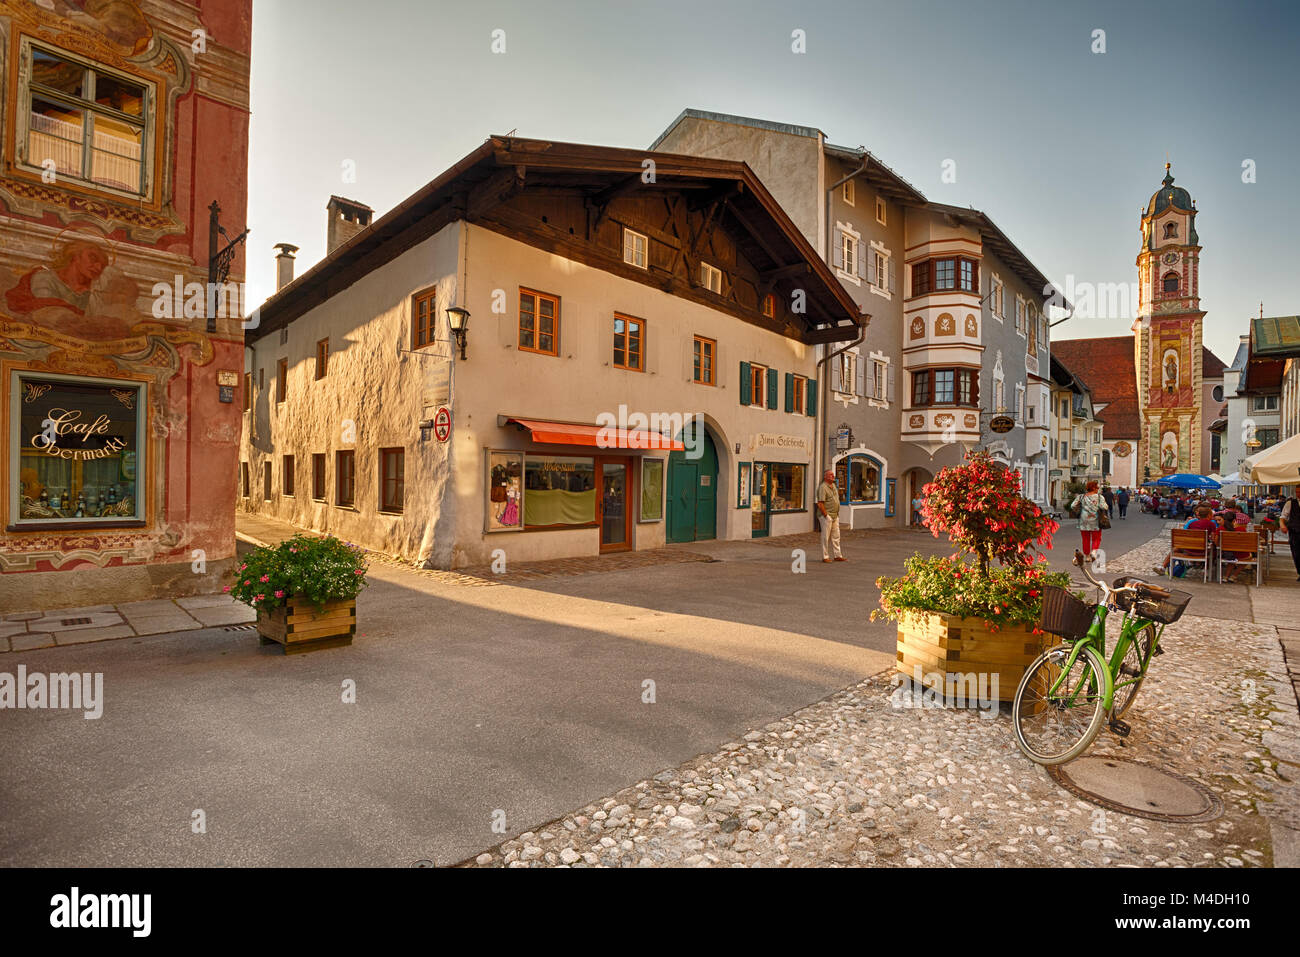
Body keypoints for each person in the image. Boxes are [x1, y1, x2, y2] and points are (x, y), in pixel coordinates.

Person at [1156, 506, 1219, 577]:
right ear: (1209, 515)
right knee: (1214, 550)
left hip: (1189, 550)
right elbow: (1213, 538)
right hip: (1202, 551)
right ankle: (1205, 569)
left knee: (1175, 549)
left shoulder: (1192, 524)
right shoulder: (1211, 524)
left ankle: (1163, 567)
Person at [816, 469, 846, 564]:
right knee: (825, 536)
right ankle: (825, 556)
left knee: (836, 536)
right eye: (831, 475)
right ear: (825, 477)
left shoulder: (833, 486)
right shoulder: (823, 487)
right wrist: (826, 515)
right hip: (826, 516)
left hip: (835, 515)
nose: (833, 476)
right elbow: (820, 503)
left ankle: (837, 555)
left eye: (833, 475)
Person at [1071, 480, 1106, 560]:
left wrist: (1082, 508)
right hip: (1096, 519)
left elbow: (1072, 505)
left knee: (1085, 539)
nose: (1098, 489)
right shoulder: (1100, 497)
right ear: (1093, 488)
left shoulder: (1081, 497)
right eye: (1097, 487)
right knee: (1096, 538)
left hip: (1084, 520)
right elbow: (1104, 507)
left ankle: (1087, 556)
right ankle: (1093, 552)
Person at [1281, 490, 1300, 582]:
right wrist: (1282, 525)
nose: (1298, 494)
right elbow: (1283, 517)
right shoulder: (1290, 503)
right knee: (1296, 553)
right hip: (1295, 531)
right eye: (1297, 492)